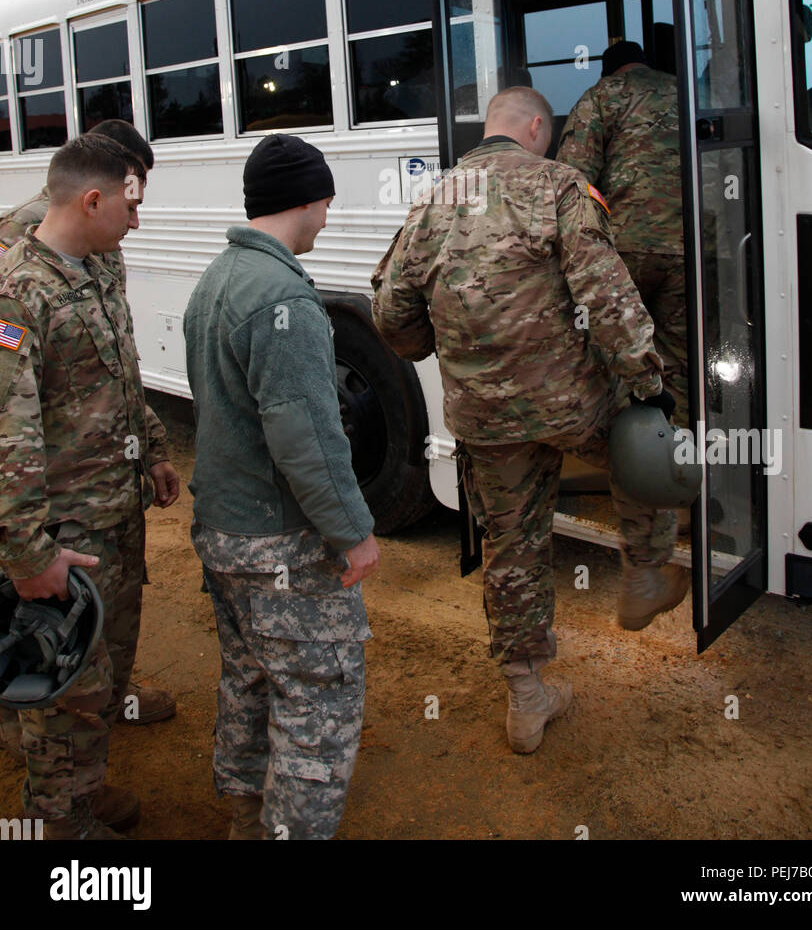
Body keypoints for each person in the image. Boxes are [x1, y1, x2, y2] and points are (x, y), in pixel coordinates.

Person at [371, 86, 687, 755]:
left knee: (511, 546)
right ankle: (645, 569)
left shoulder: (436, 196)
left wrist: (436, 350)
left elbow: (392, 313)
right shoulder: (562, 185)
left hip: (484, 416)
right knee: (645, 442)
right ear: (537, 128)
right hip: (570, 400)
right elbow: (607, 294)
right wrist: (648, 383)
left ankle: (526, 699)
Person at [184, 133, 379, 840]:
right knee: (318, 703)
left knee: (251, 677)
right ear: (305, 198)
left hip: (225, 533)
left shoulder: (219, 277)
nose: (328, 216)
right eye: (326, 201)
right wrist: (353, 533)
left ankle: (244, 813)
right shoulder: (280, 296)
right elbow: (308, 438)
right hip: (280, 548)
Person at [0, 134, 180, 840]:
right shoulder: (18, 294)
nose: (137, 223)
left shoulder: (97, 268)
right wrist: (26, 552)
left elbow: (121, 373)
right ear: (93, 199)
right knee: (66, 684)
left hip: (113, 508)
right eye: (129, 209)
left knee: (106, 665)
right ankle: (57, 823)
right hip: (61, 533)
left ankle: (85, 786)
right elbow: (7, 435)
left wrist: (156, 452)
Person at [556, 41, 688, 426]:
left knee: (618, 349)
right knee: (677, 357)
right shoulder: (685, 91)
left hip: (624, 251)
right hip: (691, 246)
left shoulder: (601, 96)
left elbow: (573, 178)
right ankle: (676, 455)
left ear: (608, 71)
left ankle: (629, 452)